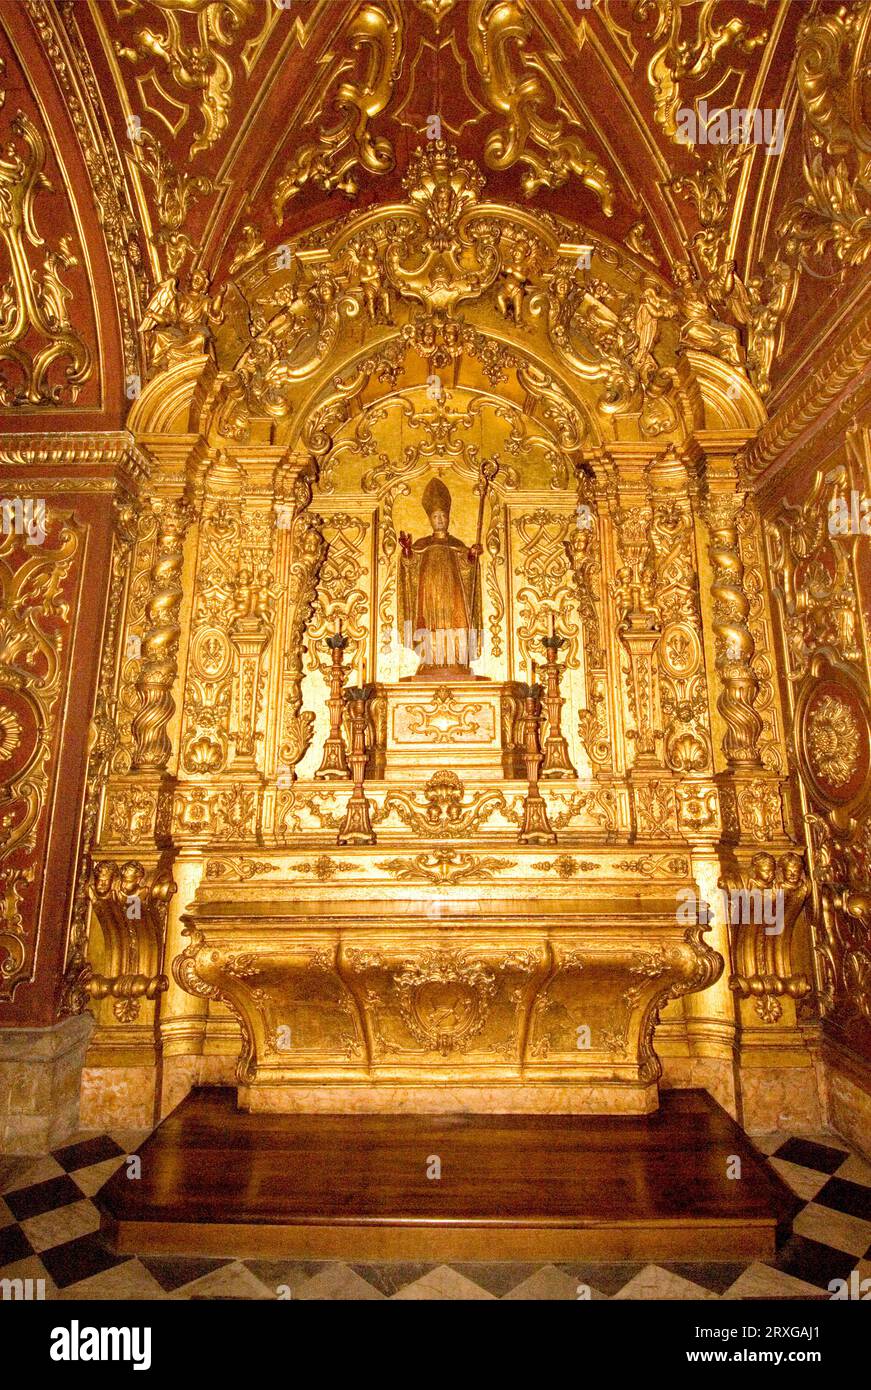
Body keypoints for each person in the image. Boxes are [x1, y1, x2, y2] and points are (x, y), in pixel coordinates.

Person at [398, 476, 483, 676]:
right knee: (430, 623)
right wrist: (408, 551)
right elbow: (409, 566)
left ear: (448, 518)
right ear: (430, 519)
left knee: (454, 622)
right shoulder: (422, 545)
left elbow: (467, 570)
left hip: (452, 593)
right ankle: (429, 661)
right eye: (435, 517)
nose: (440, 520)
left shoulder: (456, 545)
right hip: (429, 594)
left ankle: (456, 660)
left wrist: (471, 555)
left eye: (443, 516)